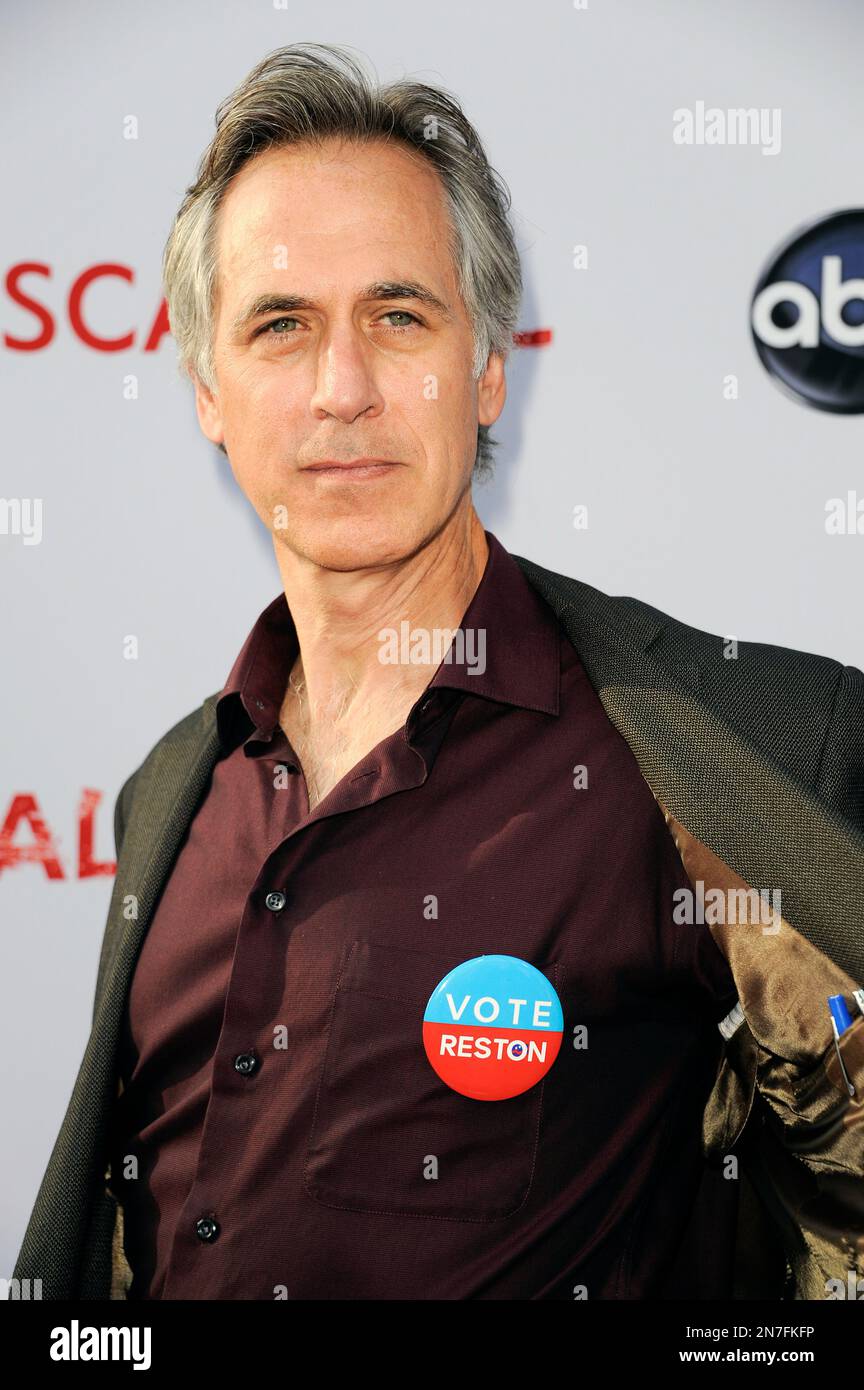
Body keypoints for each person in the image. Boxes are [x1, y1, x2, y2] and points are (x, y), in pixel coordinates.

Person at [13, 42, 864, 1302]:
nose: (342, 390)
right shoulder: (169, 797)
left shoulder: (738, 747)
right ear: (207, 389)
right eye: (282, 326)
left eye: (398, 317)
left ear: (487, 369)